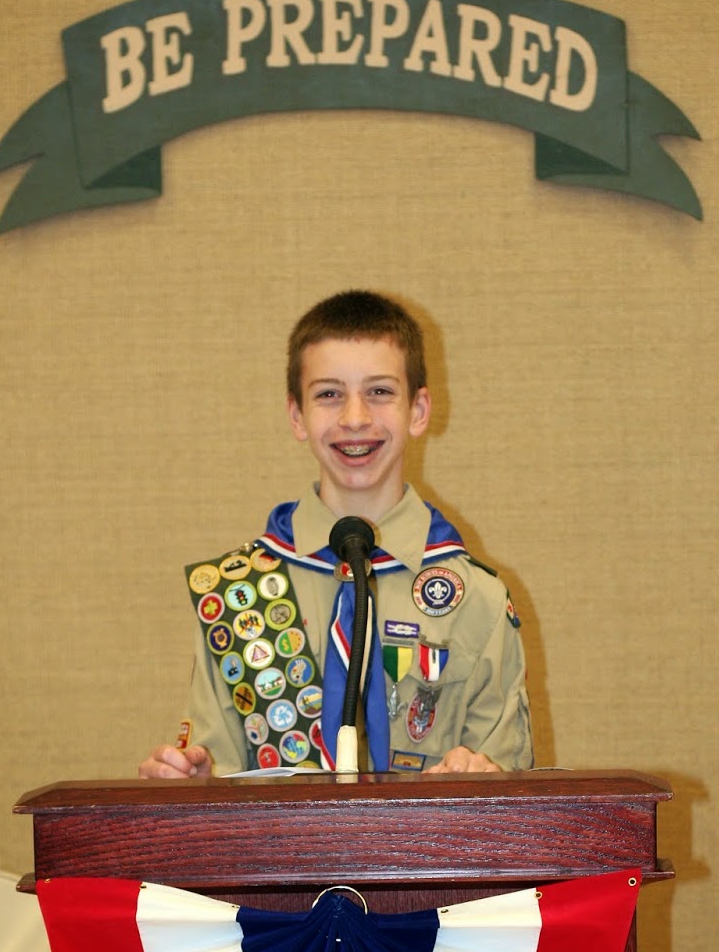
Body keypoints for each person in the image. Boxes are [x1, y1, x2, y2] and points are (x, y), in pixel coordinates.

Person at [139, 290, 533, 779]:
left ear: (419, 409)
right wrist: (188, 787)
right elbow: (214, 777)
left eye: (380, 392)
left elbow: (516, 807)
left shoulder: (478, 600)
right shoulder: (235, 596)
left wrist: (488, 788)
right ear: (296, 415)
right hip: (277, 856)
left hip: (430, 856)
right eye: (328, 394)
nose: (354, 418)